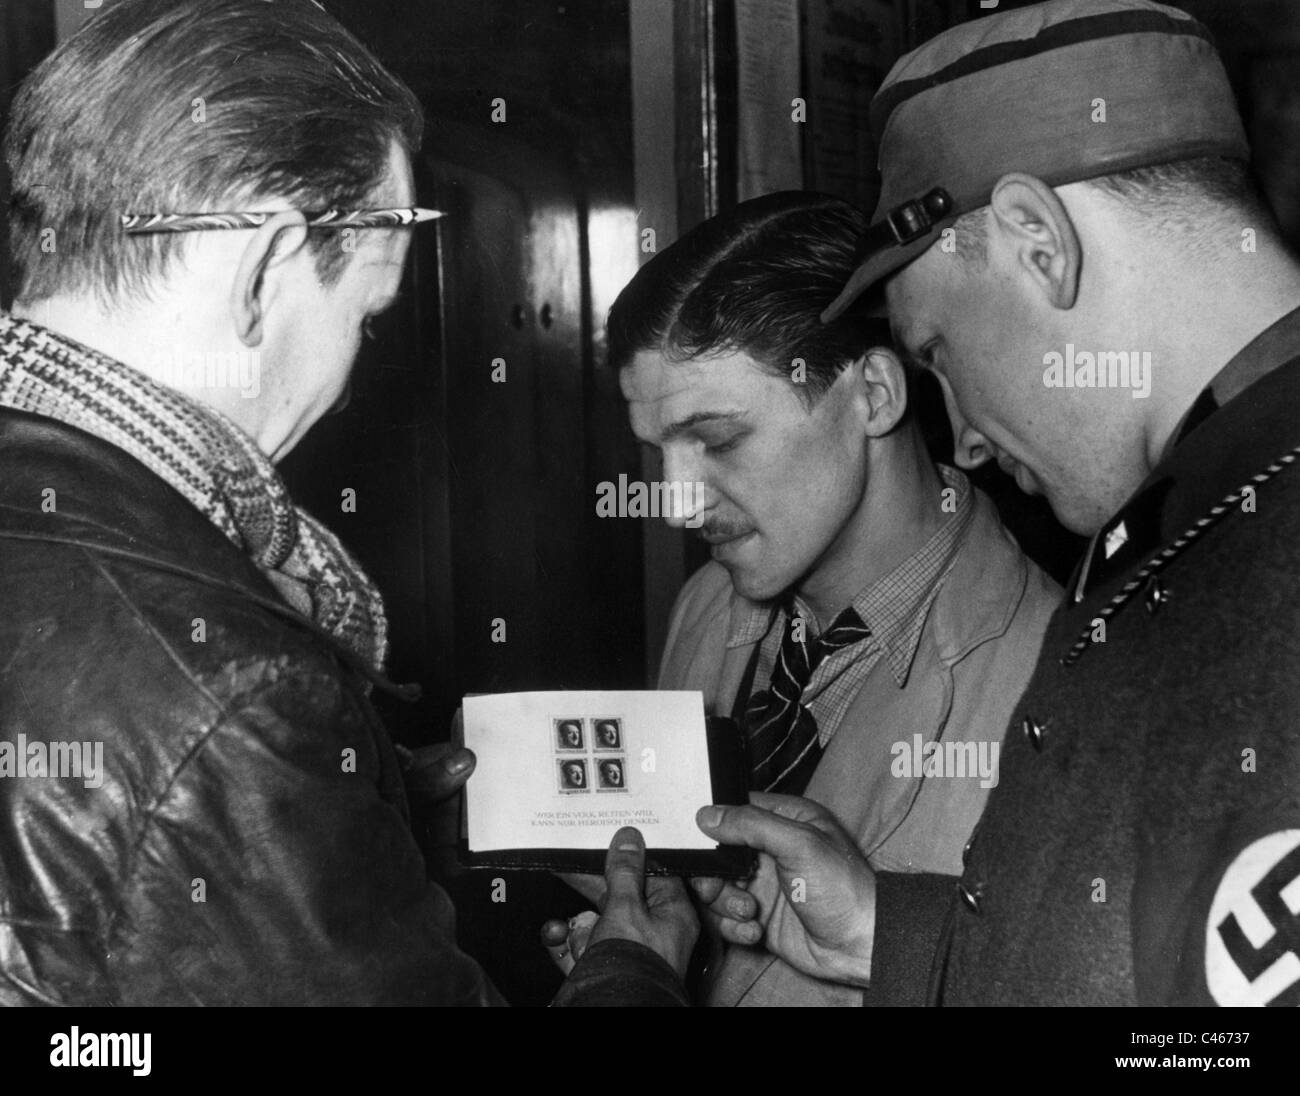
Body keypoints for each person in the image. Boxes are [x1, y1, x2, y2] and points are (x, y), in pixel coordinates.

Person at [0, 0, 690, 1006]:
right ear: (266, 265)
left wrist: (356, 818)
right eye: (365, 316)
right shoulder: (236, 691)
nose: (354, 379)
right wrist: (634, 971)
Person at [698, 0, 1300, 1008]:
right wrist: (897, 940)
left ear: (1036, 239)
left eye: (936, 353)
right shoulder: (1213, 507)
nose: (965, 436)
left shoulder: (1253, 562)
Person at [604, 192, 1059, 1004]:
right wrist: (641, 966)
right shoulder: (706, 608)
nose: (674, 503)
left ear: (874, 396)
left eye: (717, 440)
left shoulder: (1055, 677)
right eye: (657, 454)